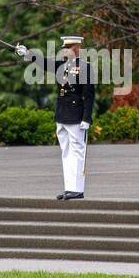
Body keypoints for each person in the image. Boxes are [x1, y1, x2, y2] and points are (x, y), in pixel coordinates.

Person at [51, 35, 96, 198]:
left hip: (76, 115)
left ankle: (77, 189)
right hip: (62, 114)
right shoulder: (61, 65)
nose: (65, 50)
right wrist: (27, 53)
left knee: (77, 152)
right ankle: (69, 187)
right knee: (66, 152)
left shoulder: (85, 67)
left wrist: (86, 118)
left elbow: (89, 95)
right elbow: (43, 63)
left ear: (77, 49)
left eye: (68, 47)